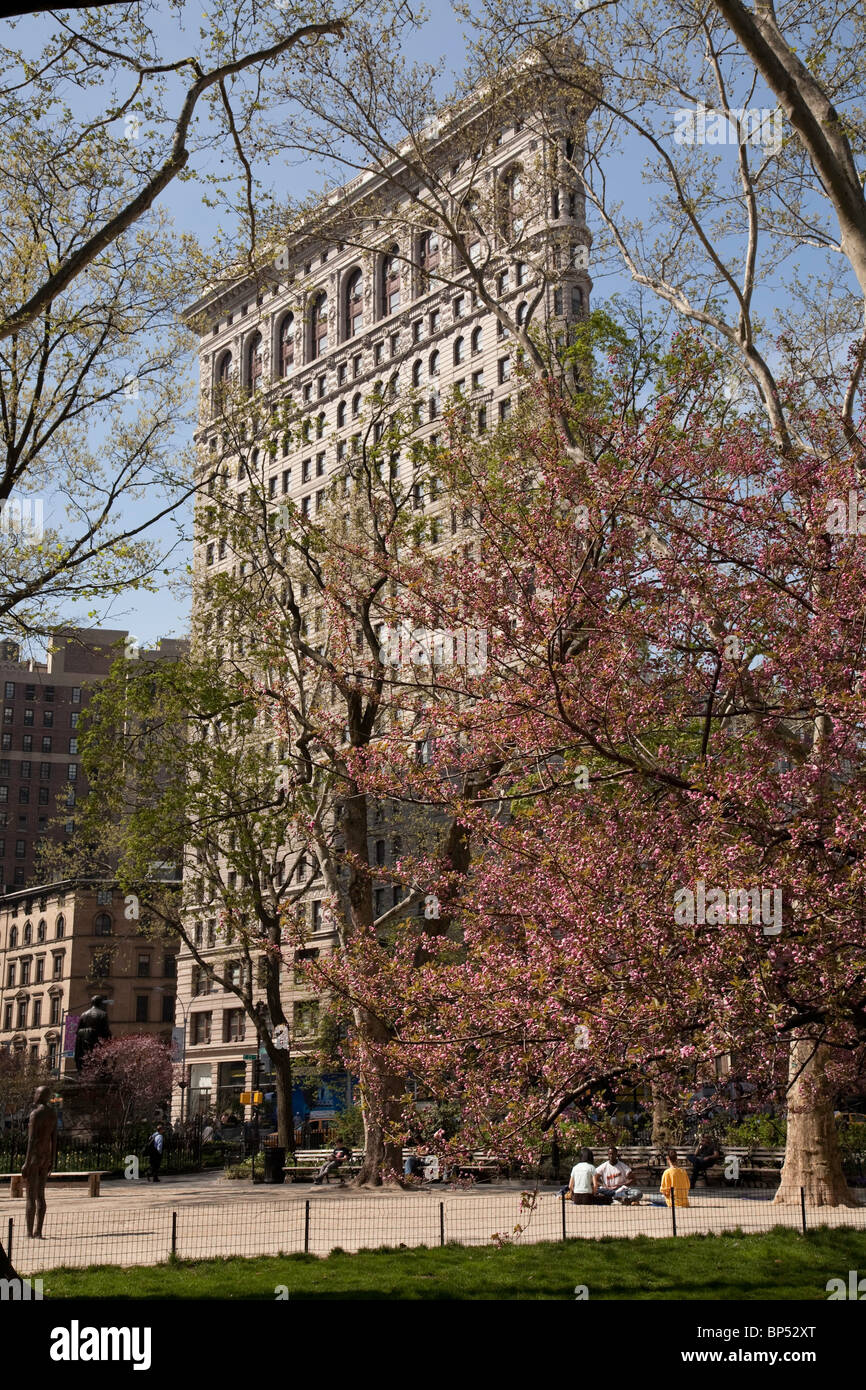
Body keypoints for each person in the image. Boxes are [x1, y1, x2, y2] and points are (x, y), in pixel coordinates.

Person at [22, 1085, 58, 1238]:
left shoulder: (35, 1114)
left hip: (35, 1157)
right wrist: (53, 1160)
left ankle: (30, 1232)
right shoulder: (53, 1114)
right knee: (41, 1195)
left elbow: (31, 1140)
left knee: (31, 1196)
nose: (34, 1095)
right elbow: (54, 1139)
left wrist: (26, 1161)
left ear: (41, 1096)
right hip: (46, 1156)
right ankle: (39, 1231)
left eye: (36, 1093)